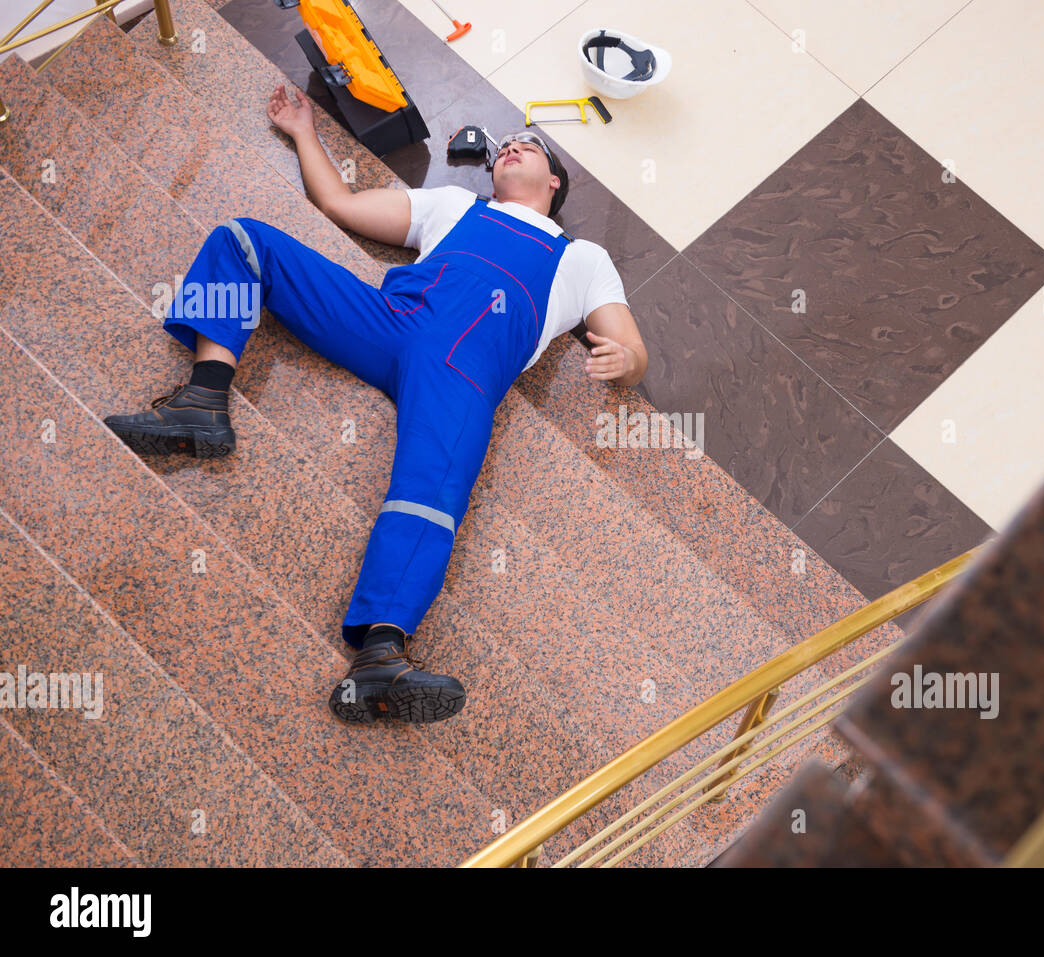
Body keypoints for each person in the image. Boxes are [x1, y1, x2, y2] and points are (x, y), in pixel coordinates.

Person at [103, 84, 648, 726]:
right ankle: (203, 399)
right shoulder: (450, 205)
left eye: (528, 146)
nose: (510, 149)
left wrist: (622, 361)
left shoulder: (581, 259)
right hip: (387, 320)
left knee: (429, 495)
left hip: (463, 372)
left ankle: (380, 656)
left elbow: (633, 349)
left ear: (553, 182)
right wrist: (305, 131)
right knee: (243, 242)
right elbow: (338, 203)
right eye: (505, 146)